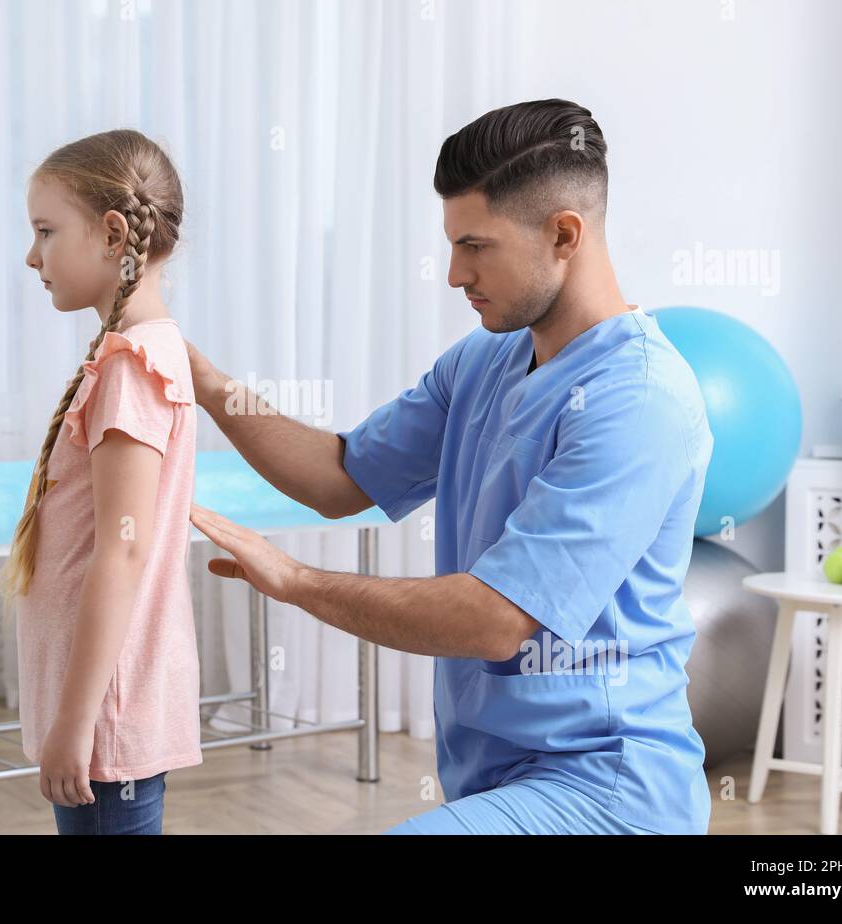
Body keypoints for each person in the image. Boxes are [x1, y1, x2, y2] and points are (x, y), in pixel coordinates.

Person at [187, 99, 714, 834]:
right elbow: (341, 476)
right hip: (489, 777)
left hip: (606, 785)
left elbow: (497, 620)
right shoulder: (485, 359)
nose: (454, 274)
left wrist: (298, 582)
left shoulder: (640, 398)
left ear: (564, 234)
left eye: (476, 246)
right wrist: (210, 388)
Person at [0, 129, 202, 835]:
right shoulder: (145, 350)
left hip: (107, 719)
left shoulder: (130, 366)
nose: (33, 256)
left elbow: (122, 550)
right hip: (111, 711)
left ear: (113, 235)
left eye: (46, 232)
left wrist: (75, 722)